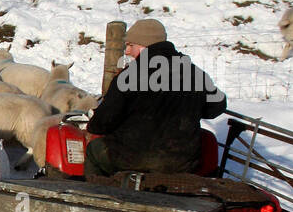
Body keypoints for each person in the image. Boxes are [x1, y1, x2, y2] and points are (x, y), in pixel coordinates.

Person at [84, 19, 226, 176]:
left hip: (129, 159)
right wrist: (191, 106)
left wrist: (94, 123)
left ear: (145, 46)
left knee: (93, 150)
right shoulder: (194, 73)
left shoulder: (129, 77)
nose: (127, 52)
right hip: (180, 163)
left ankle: (95, 193)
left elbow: (101, 124)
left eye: (131, 45)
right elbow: (217, 106)